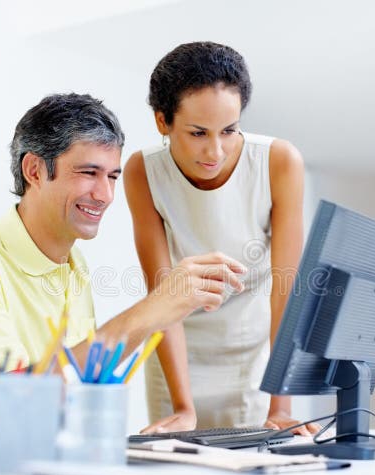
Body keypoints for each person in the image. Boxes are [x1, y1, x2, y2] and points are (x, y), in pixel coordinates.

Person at [0, 93, 246, 437]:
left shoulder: (73, 266)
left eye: (112, 176)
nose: (105, 194)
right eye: (88, 172)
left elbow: (66, 394)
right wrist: (150, 312)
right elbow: (11, 403)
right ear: (34, 170)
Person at [124, 42, 321, 435]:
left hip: (251, 357)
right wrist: (183, 406)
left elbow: (286, 289)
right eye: (198, 133)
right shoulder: (142, 172)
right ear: (163, 121)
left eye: (229, 130)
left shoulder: (279, 162)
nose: (215, 150)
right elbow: (161, 292)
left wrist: (281, 404)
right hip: (176, 355)